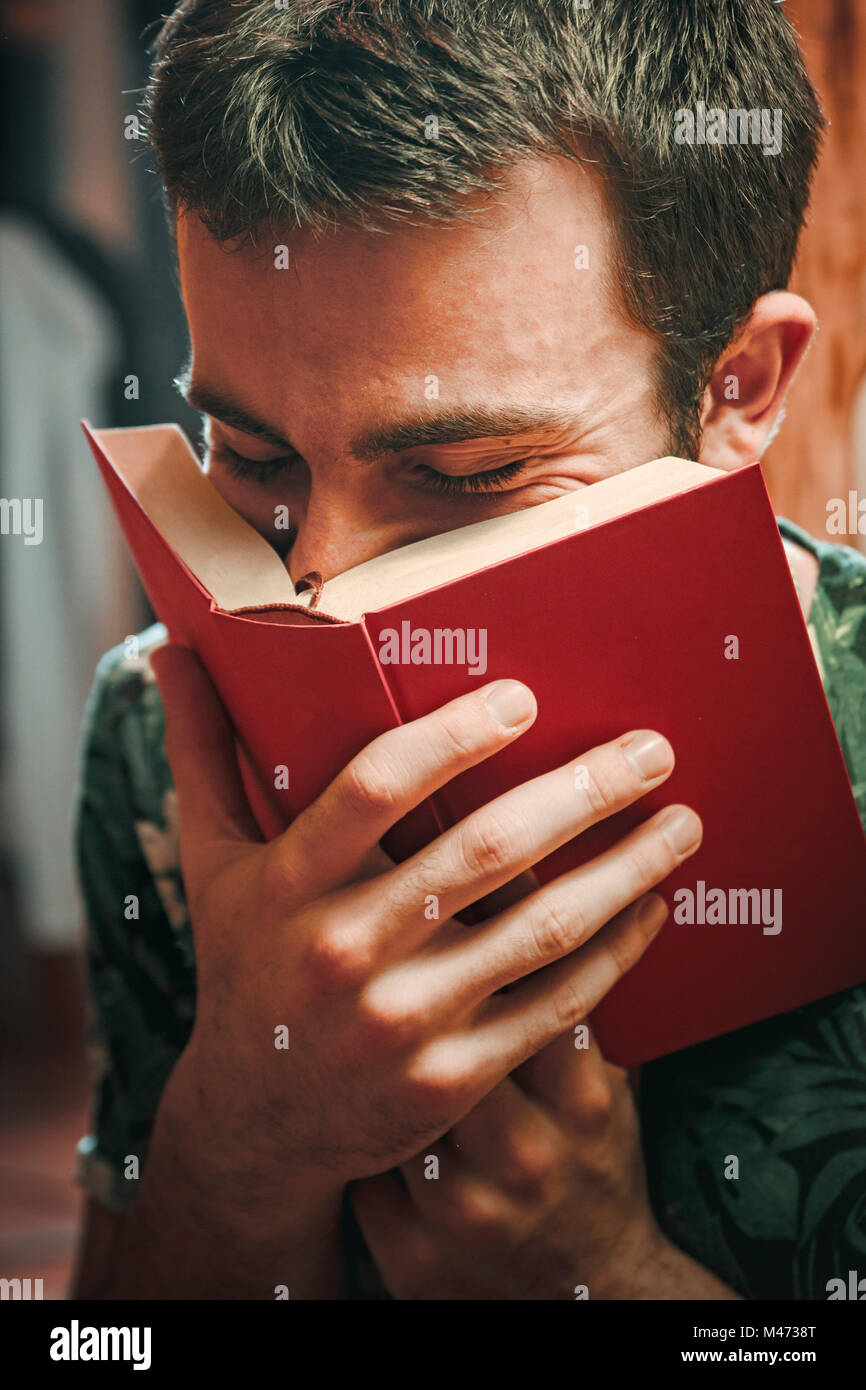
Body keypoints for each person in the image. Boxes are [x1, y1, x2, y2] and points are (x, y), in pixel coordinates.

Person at [72, 0, 866, 1300]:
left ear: (740, 386)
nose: (320, 577)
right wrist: (232, 1152)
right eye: (253, 458)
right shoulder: (154, 739)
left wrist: (602, 1272)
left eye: (467, 473)